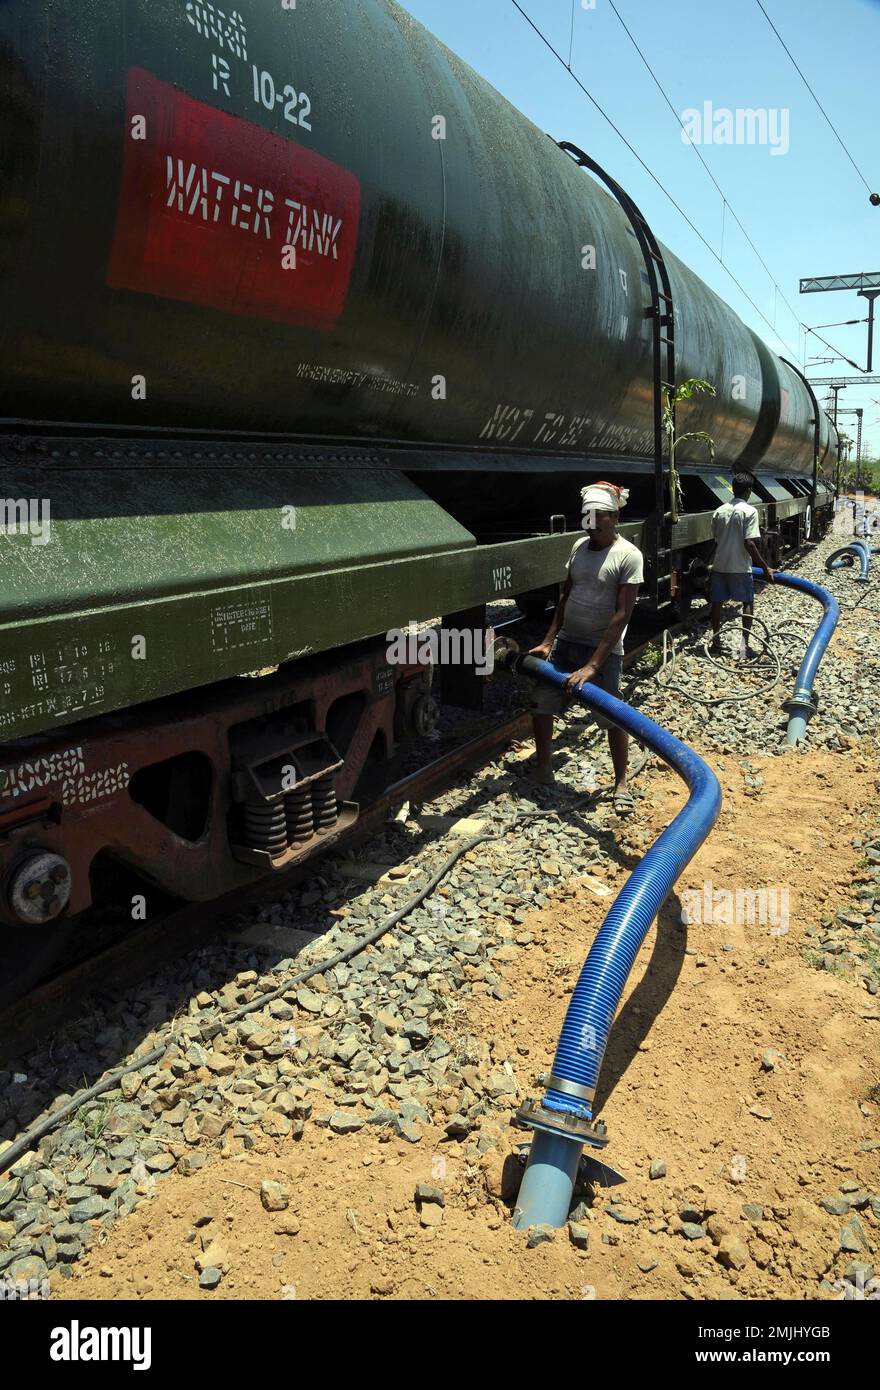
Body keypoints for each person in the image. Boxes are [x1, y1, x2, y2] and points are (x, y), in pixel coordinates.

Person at [528, 481, 643, 812]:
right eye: (588, 515)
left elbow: (622, 615)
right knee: (541, 700)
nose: (593, 521)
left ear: (615, 515)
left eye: (600, 515)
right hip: (567, 644)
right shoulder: (579, 547)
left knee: (611, 715)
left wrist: (593, 666)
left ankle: (620, 783)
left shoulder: (627, 556)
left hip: (602, 652)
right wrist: (549, 640)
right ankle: (544, 767)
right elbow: (565, 596)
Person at [709, 473, 775, 657]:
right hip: (740, 567)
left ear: (733, 489)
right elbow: (750, 543)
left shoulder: (719, 511)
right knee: (747, 601)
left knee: (717, 603)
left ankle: (716, 642)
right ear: (748, 491)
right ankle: (744, 646)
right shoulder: (749, 511)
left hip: (720, 565)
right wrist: (765, 567)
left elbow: (716, 539)